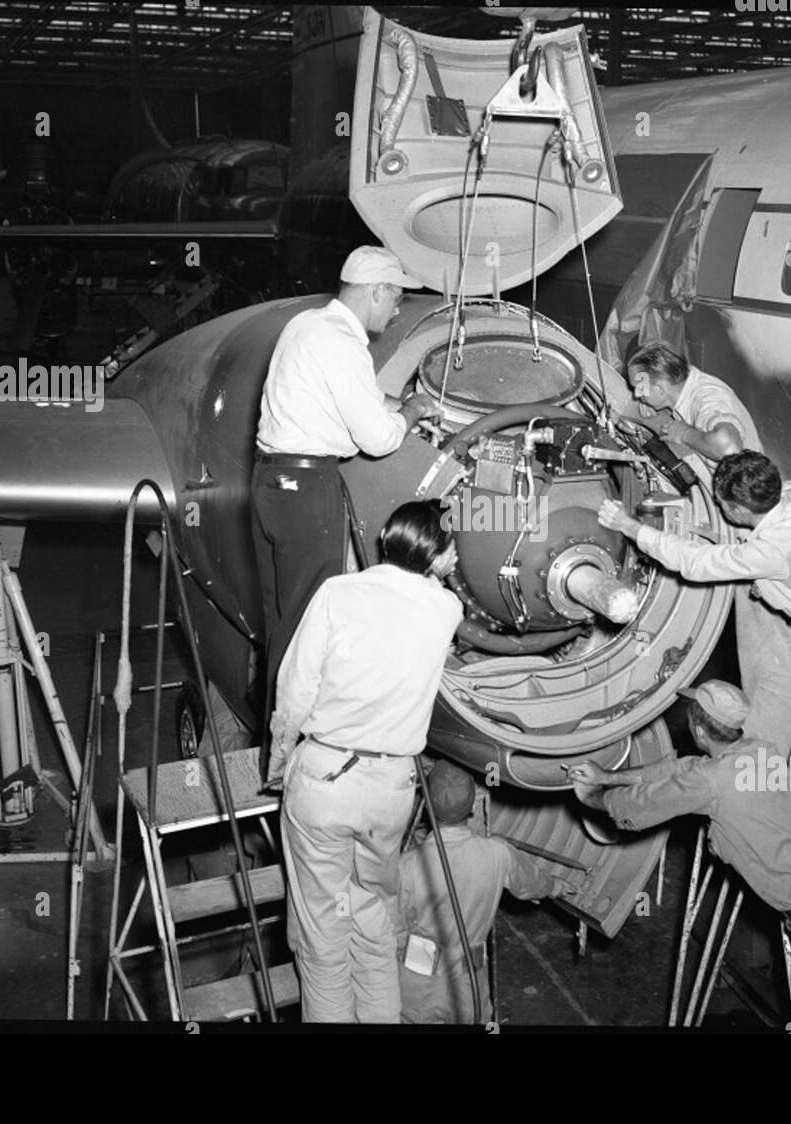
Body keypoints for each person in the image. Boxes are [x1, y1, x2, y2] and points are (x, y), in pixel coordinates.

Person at [598, 450, 791, 900]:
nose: (724, 514)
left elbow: (699, 566)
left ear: (740, 510)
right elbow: (767, 550)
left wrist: (632, 528)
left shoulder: (774, 549)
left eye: (725, 508)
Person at [567, 680, 791, 1028]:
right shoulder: (760, 753)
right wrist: (607, 776)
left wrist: (592, 797)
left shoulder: (713, 780)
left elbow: (635, 810)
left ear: (699, 729)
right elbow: (681, 770)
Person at [271, 501, 463, 1023]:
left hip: (325, 782)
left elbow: (295, 690)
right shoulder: (448, 610)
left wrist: (278, 761)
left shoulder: (337, 593)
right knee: (372, 922)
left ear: (385, 536)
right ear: (443, 559)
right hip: (391, 791)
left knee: (323, 934)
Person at [251, 245, 439, 769]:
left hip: (270, 482)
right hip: (308, 490)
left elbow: (338, 398)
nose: (397, 309)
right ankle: (288, 757)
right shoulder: (343, 343)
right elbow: (378, 441)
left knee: (281, 621)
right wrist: (415, 411)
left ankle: (272, 741)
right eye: (396, 297)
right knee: (308, 624)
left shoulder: (308, 326)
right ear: (375, 291)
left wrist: (394, 407)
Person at [625, 341, 791, 757]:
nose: (636, 393)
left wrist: (682, 433)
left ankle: (769, 756)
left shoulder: (707, 398)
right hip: (744, 535)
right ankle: (765, 747)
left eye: (639, 385)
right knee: (759, 653)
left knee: (770, 658)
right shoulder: (686, 398)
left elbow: (727, 447)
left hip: (754, 544)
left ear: (659, 380)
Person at [396, 760, 577, 1024]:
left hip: (418, 990)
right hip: (469, 987)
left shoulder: (408, 865)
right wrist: (557, 887)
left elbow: (392, 932)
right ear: (472, 807)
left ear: (427, 807)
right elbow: (533, 884)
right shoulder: (497, 854)